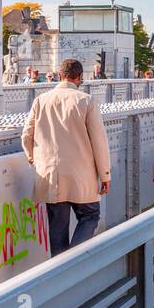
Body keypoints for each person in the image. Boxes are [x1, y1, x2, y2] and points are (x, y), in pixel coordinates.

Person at [21, 58, 111, 257]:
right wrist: (105, 174)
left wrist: (34, 160)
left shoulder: (40, 100)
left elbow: (27, 136)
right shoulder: (86, 101)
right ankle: (75, 260)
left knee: (57, 228)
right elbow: (99, 141)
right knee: (90, 215)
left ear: (60, 75)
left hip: (50, 175)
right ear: (79, 77)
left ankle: (60, 273)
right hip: (81, 175)